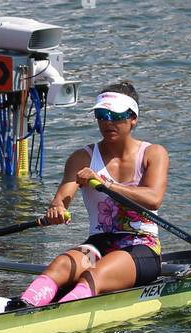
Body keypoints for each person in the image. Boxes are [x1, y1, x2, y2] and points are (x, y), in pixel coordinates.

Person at [18, 82, 168, 306]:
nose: (108, 122)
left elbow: (152, 199)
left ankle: (61, 314)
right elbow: (62, 198)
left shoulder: (153, 153)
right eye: (101, 115)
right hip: (98, 245)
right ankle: (21, 306)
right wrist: (57, 208)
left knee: (93, 275)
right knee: (60, 266)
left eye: (115, 115)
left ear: (133, 118)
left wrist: (104, 184)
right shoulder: (82, 157)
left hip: (141, 247)